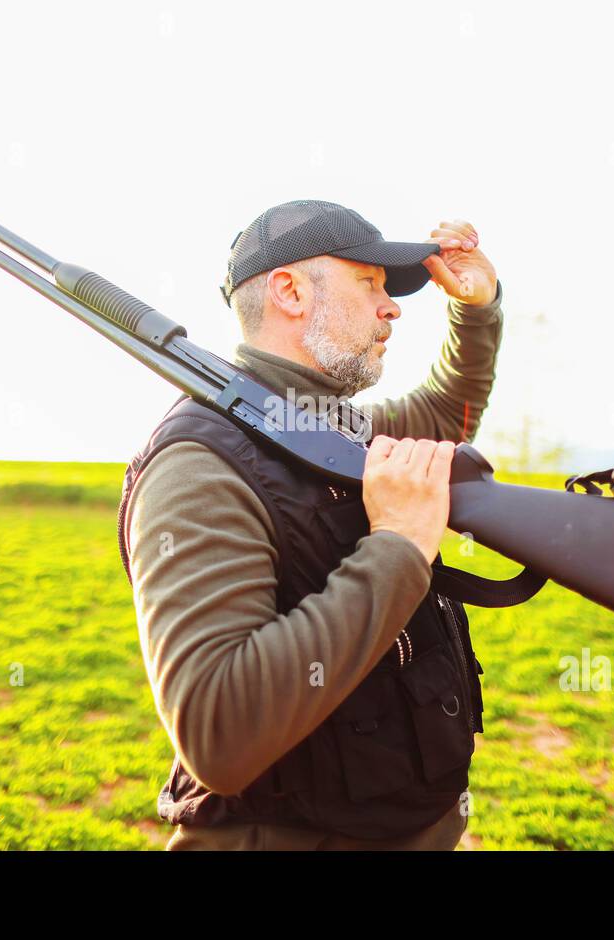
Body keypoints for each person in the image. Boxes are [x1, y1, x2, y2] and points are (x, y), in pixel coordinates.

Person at [117, 199, 503, 849]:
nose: (393, 307)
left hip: (413, 824)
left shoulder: (335, 426)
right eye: (369, 283)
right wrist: (400, 545)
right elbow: (220, 733)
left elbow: (449, 415)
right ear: (291, 292)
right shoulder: (198, 463)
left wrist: (475, 310)